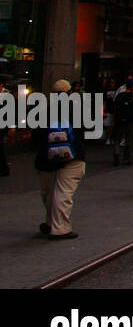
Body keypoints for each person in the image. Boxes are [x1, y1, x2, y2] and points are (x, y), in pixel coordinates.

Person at [32, 79, 85, 239]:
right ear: (69, 93)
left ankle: (49, 223)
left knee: (48, 193)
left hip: (46, 159)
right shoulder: (77, 110)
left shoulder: (43, 111)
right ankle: (60, 228)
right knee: (63, 193)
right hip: (72, 157)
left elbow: (35, 137)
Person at [110, 77, 133, 167]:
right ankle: (127, 158)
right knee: (129, 140)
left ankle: (116, 153)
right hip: (129, 121)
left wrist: (114, 120)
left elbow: (115, 109)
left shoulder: (119, 96)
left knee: (117, 139)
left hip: (119, 120)